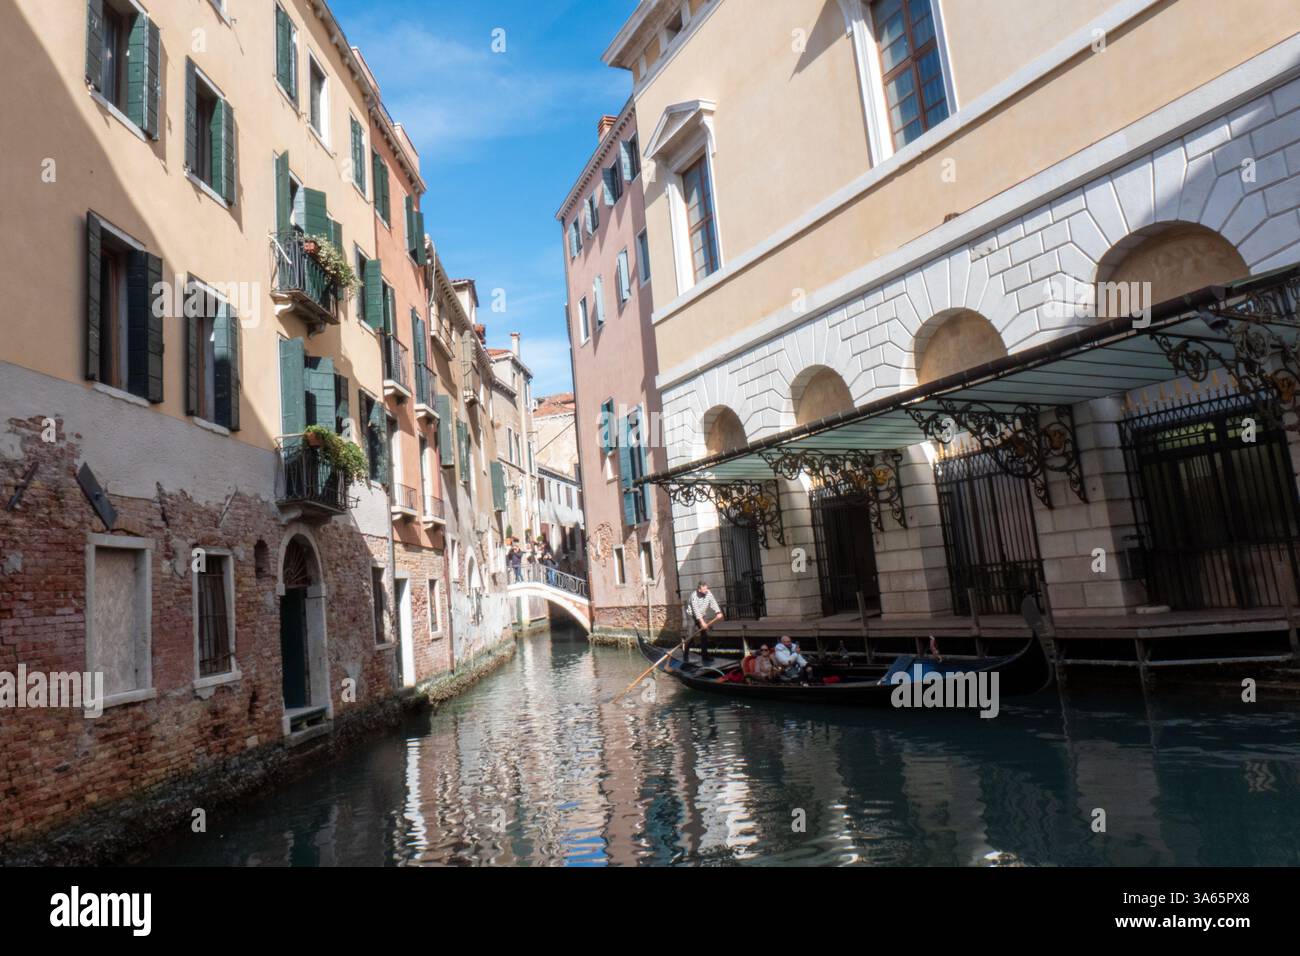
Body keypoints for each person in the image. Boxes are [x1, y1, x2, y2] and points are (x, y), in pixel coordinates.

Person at [685, 581, 724, 663]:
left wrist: (718, 612)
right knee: (690, 635)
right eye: (704, 589)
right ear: (699, 590)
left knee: (705, 635)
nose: (706, 590)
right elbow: (696, 611)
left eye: (706, 588)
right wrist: (702, 622)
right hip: (691, 615)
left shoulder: (708, 593)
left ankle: (705, 657)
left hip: (702, 614)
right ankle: (686, 656)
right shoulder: (694, 596)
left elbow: (713, 602)